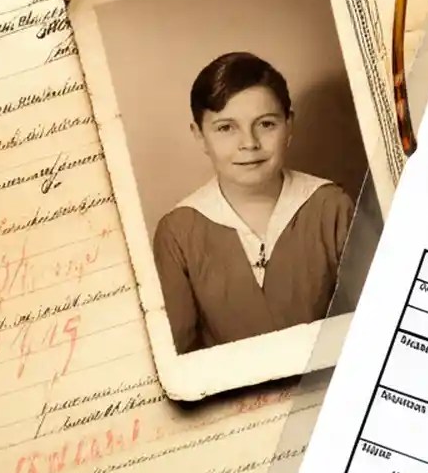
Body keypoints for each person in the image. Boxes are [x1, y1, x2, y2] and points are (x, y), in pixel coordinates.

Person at [152, 52, 355, 354]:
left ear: (289, 125)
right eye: (225, 128)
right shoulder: (177, 233)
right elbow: (179, 356)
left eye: (266, 124)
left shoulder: (332, 208)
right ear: (199, 135)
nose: (249, 143)